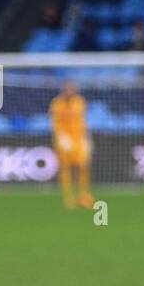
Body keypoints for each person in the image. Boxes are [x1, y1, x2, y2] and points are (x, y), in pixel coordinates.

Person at [50, 80, 93, 209]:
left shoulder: (80, 102)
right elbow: (55, 122)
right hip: (64, 138)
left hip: (79, 138)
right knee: (66, 167)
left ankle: (84, 196)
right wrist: (61, 137)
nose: (69, 92)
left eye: (71, 89)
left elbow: (83, 120)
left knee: (84, 166)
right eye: (67, 89)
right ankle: (68, 197)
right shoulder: (57, 104)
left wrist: (86, 137)